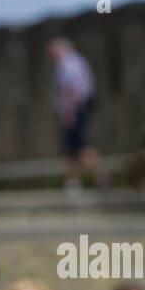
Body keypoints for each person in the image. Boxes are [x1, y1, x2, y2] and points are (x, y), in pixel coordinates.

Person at [47, 38, 103, 190]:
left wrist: (68, 112)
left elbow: (70, 90)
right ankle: (73, 181)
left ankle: (99, 177)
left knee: (81, 146)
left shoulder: (67, 65)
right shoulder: (78, 61)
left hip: (75, 109)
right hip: (81, 107)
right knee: (72, 149)